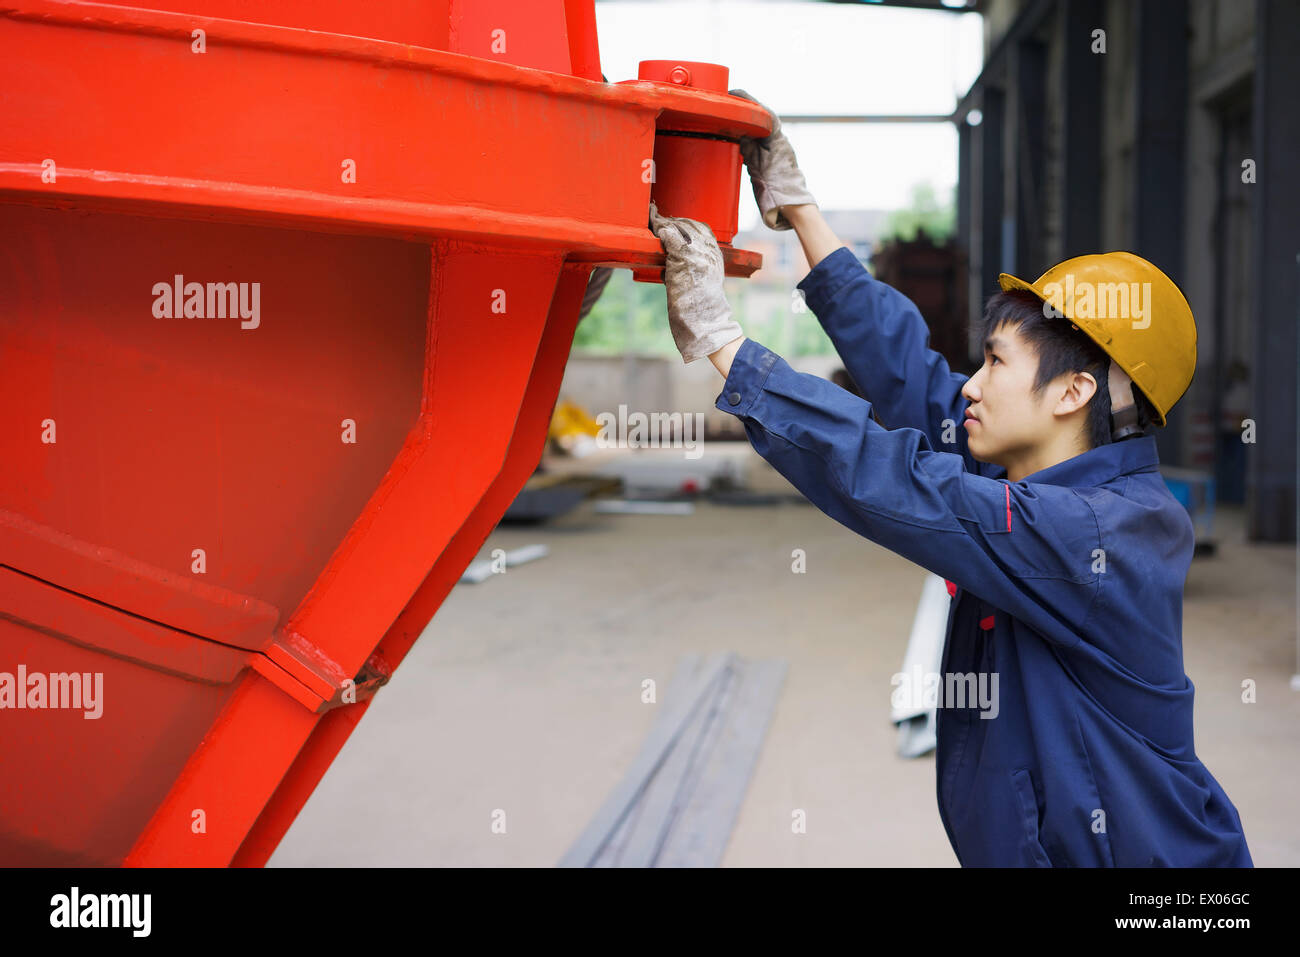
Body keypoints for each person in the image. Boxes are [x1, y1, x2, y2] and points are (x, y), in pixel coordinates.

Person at [645, 91, 1252, 867]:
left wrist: (726, 342)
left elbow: (897, 483)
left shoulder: (1097, 534)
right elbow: (913, 379)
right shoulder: (1043, 476)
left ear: (1073, 393)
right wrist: (800, 212)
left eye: (995, 361)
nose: (971, 384)